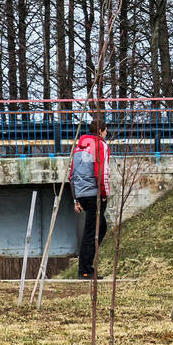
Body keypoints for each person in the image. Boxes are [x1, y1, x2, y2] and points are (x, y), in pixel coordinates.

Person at [68, 118, 112, 279]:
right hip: (94, 194)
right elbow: (101, 172)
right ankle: (85, 270)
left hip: (81, 193)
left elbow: (71, 175)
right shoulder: (100, 145)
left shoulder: (79, 147)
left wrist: (76, 200)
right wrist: (104, 194)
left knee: (101, 227)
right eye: (105, 131)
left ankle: (87, 266)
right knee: (91, 232)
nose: (106, 134)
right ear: (100, 131)